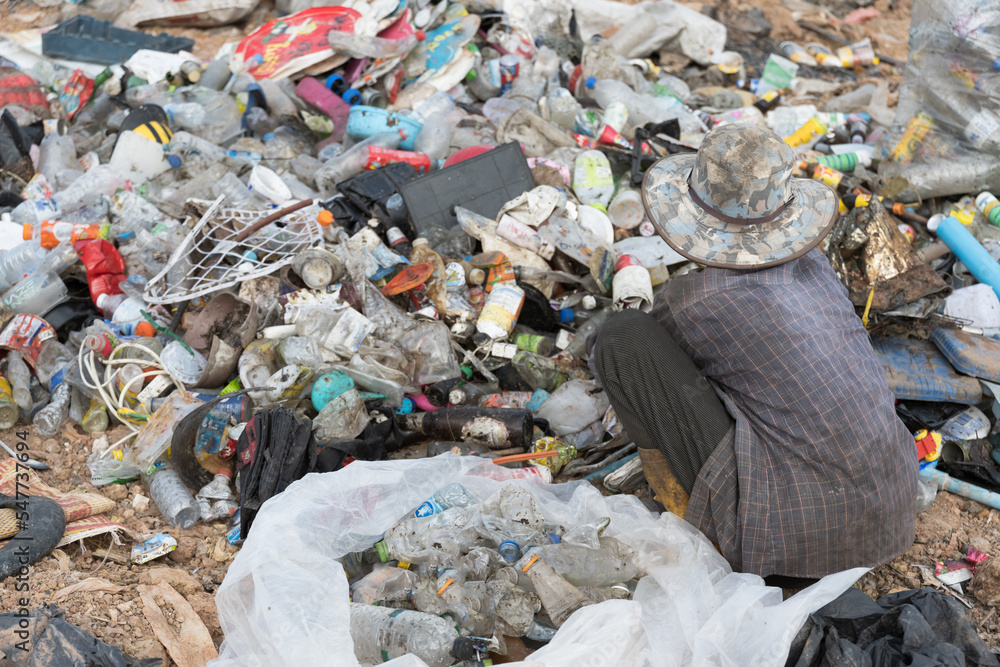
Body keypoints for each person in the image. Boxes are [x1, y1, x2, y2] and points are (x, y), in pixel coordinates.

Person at [590, 124, 917, 579]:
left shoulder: (699, 300)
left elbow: (637, 359)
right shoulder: (816, 265)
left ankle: (681, 509)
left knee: (621, 337)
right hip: (890, 509)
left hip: (798, 539)